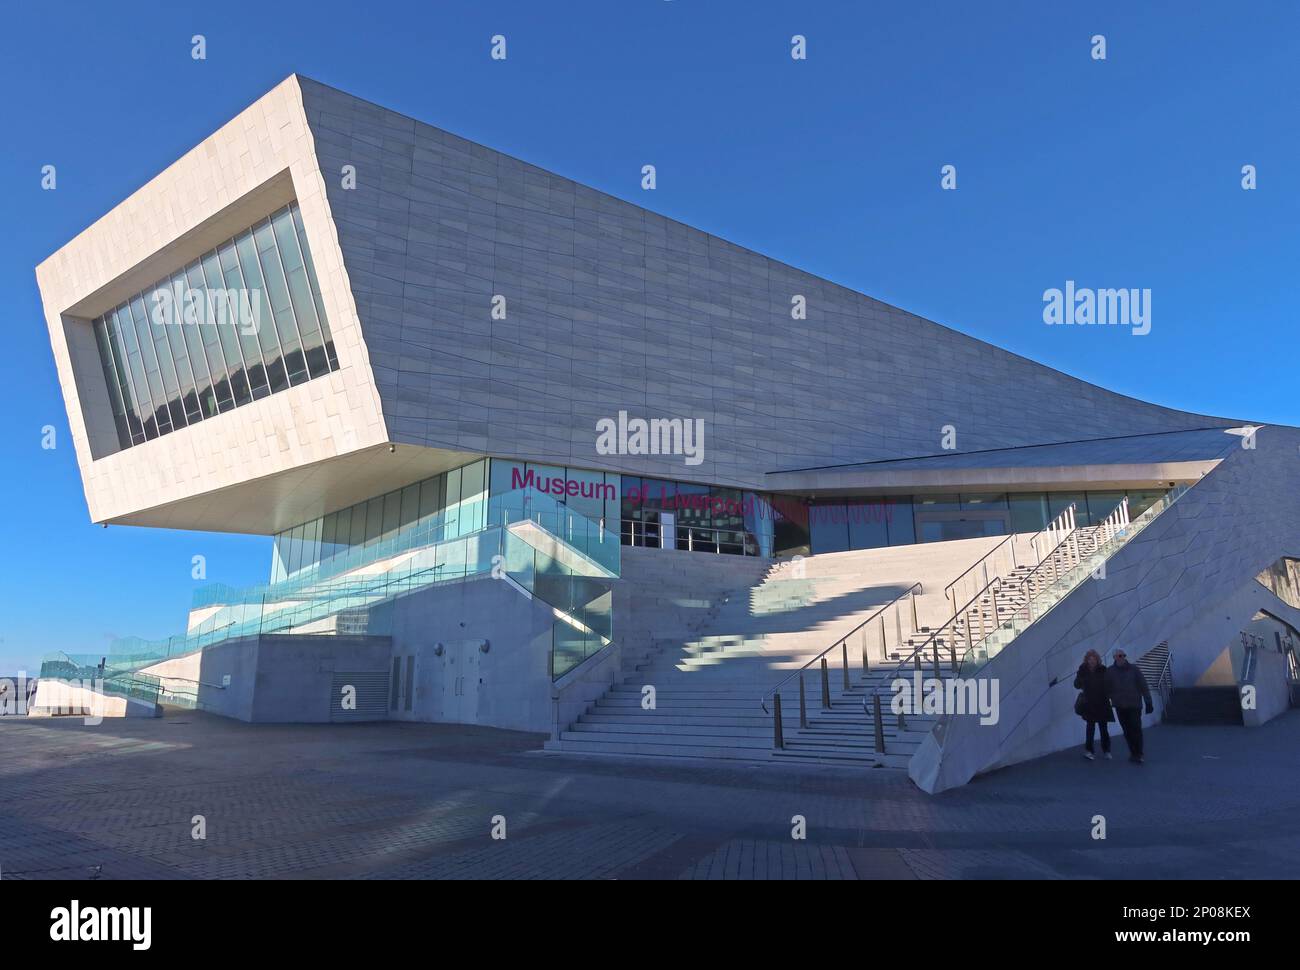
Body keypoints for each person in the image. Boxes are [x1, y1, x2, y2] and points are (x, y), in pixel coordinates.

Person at [1105, 648, 1154, 763]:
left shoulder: (1134, 669)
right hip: (1120, 705)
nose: (1122, 658)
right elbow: (1106, 687)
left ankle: (1139, 753)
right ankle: (1133, 752)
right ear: (1115, 658)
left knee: (1136, 728)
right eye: (1120, 656)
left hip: (1134, 704)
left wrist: (1148, 702)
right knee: (1126, 730)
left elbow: (1143, 685)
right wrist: (1111, 697)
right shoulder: (1110, 671)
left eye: (1123, 655)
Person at [1073, 649, 1113, 760]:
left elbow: (1108, 685)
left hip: (1102, 703)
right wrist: (1080, 676)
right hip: (1089, 703)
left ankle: (1107, 750)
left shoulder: (1103, 670)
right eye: (1089, 659)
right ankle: (1089, 751)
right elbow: (1076, 685)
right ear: (1086, 660)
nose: (1092, 661)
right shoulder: (1083, 670)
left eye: (1093, 659)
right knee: (1090, 728)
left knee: (1103, 728)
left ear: (1097, 659)